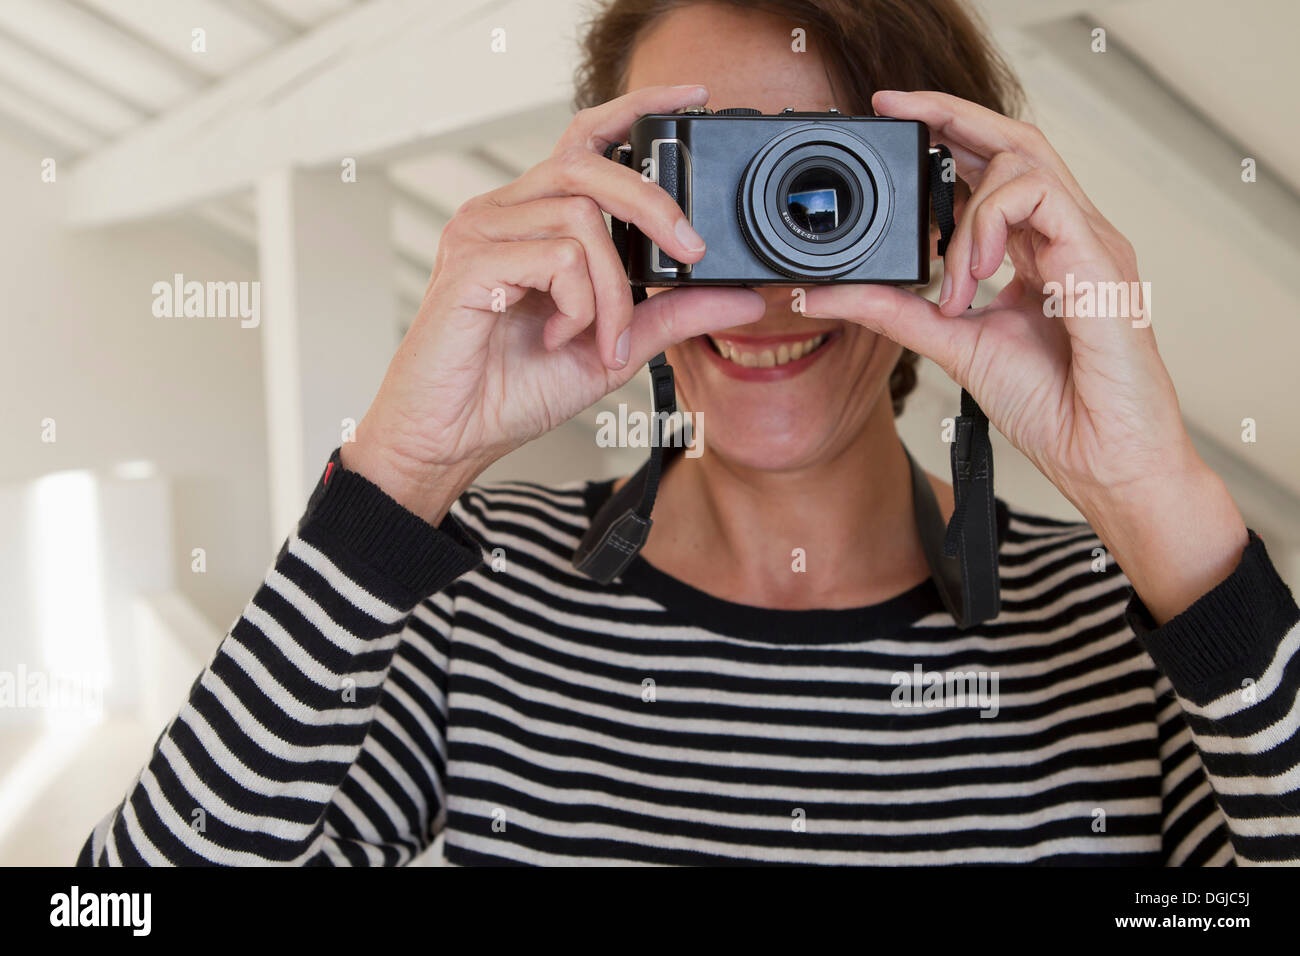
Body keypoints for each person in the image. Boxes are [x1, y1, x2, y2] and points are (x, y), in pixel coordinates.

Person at [80, 0, 1298, 866]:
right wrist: (408, 465)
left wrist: (1153, 494)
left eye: (828, 189)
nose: (771, 274)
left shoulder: (1137, 616)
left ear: (951, 215)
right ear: (608, 212)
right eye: (700, 183)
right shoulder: (475, 588)